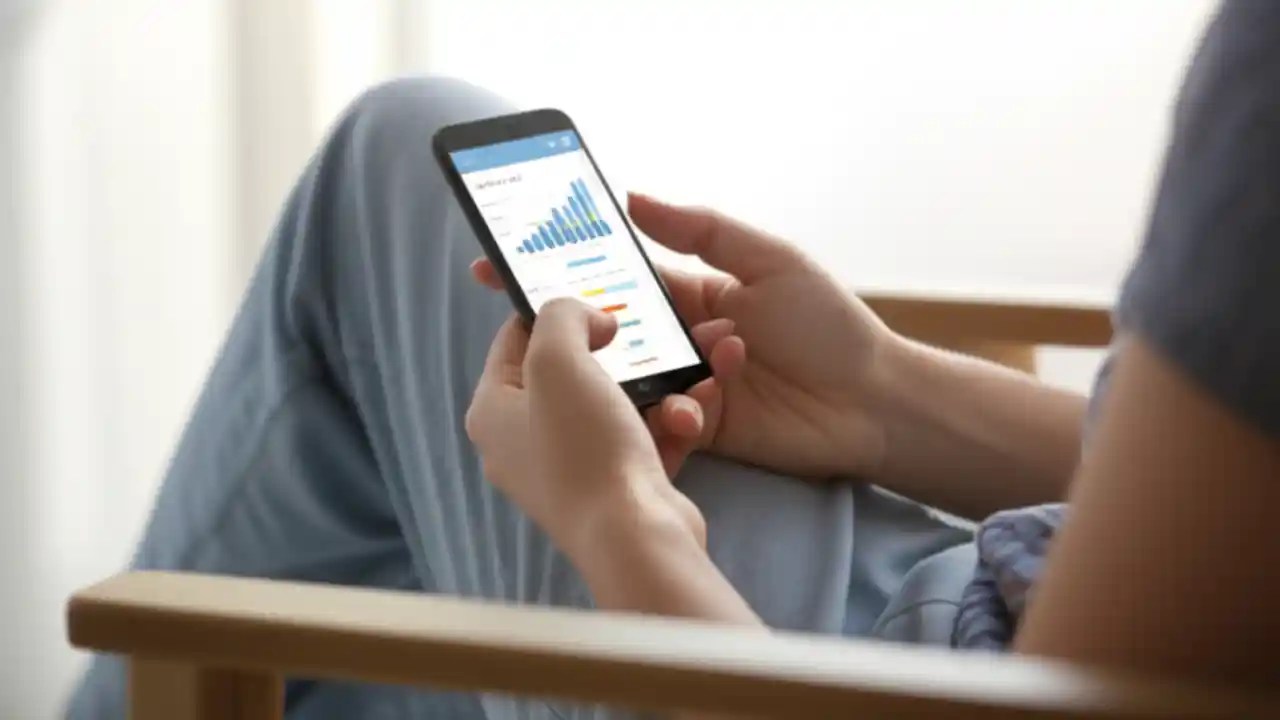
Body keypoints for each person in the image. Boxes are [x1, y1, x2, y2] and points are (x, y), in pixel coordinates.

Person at [70, 1, 1280, 717]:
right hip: (987, 584)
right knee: (375, 635)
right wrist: (880, 395)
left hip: (866, 678)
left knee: (391, 166)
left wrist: (617, 526)